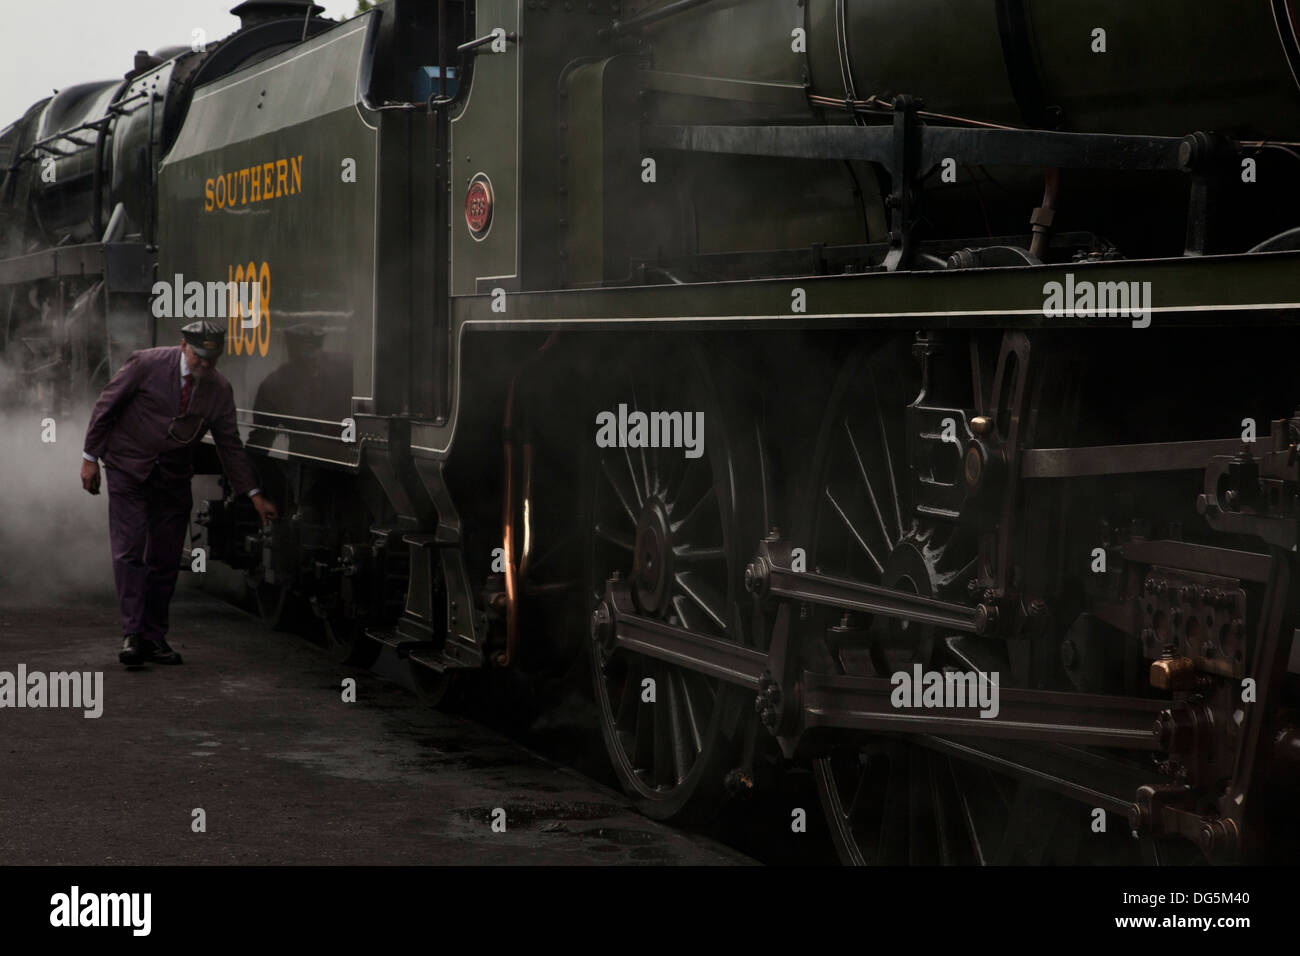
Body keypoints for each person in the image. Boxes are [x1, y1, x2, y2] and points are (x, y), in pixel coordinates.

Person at [80, 320, 278, 666]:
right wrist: (89, 459)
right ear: (184, 345)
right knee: (129, 552)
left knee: (166, 559)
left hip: (172, 478)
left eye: (211, 360)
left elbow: (230, 447)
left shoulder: (218, 388)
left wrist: (254, 494)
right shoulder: (147, 363)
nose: (204, 365)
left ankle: (155, 637)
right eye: (199, 357)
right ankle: (132, 635)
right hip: (129, 469)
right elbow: (105, 407)